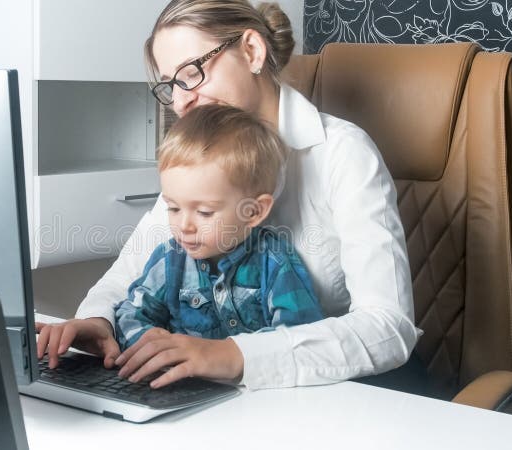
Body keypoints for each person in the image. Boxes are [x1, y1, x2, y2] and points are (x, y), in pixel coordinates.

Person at [36, 0, 421, 391]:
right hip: (228, 402)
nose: (181, 100)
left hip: (345, 400)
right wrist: (97, 322)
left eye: (192, 73)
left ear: (252, 51)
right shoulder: (201, 160)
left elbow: (389, 327)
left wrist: (233, 355)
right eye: (170, 86)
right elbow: (126, 275)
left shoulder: (343, 153)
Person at [114, 105, 324, 381]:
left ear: (253, 211)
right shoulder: (170, 261)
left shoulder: (274, 263)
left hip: (257, 394)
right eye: (174, 208)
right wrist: (149, 341)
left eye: (204, 212)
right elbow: (130, 313)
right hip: (183, 389)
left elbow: (298, 337)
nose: (184, 225)